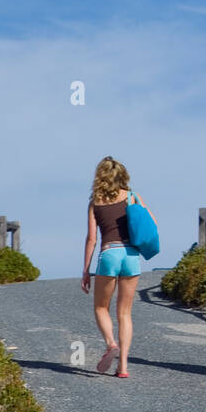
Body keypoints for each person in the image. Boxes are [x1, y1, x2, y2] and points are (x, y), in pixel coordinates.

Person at [82, 156, 156, 380]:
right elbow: (150, 222)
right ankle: (123, 366)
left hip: (109, 253)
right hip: (131, 255)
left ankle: (110, 343)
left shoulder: (96, 202)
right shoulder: (133, 197)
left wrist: (86, 270)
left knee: (101, 308)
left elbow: (91, 239)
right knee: (124, 313)